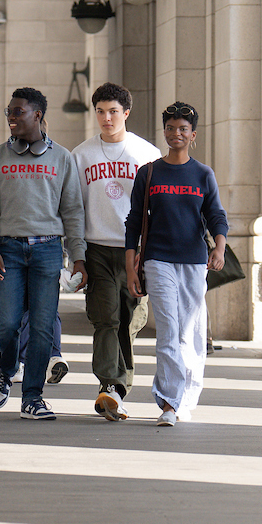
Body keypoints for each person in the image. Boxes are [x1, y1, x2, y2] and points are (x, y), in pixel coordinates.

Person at [0, 87, 86, 420]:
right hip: (8, 249)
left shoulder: (62, 158)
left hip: (48, 250)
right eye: (9, 111)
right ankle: (7, 368)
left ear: (37, 115)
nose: (11, 116)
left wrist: (78, 255)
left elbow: (73, 210)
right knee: (8, 323)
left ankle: (32, 397)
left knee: (41, 327)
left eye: (18, 111)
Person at [125, 101, 228, 427]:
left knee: (192, 334)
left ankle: (186, 398)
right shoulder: (150, 173)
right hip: (159, 259)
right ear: (165, 131)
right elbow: (133, 222)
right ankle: (169, 402)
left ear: (192, 134)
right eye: (170, 128)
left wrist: (220, 249)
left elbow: (216, 216)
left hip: (195, 262)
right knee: (169, 330)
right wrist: (131, 267)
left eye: (182, 129)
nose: (176, 133)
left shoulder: (202, 174)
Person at [71, 82, 161, 421]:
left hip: (135, 251)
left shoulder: (146, 155)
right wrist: (77, 255)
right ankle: (110, 385)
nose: (106, 118)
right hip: (98, 249)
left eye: (113, 111)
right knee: (105, 318)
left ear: (126, 113)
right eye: (100, 112)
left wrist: (149, 251)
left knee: (129, 321)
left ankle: (117, 387)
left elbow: (156, 209)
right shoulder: (81, 156)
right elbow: (74, 208)